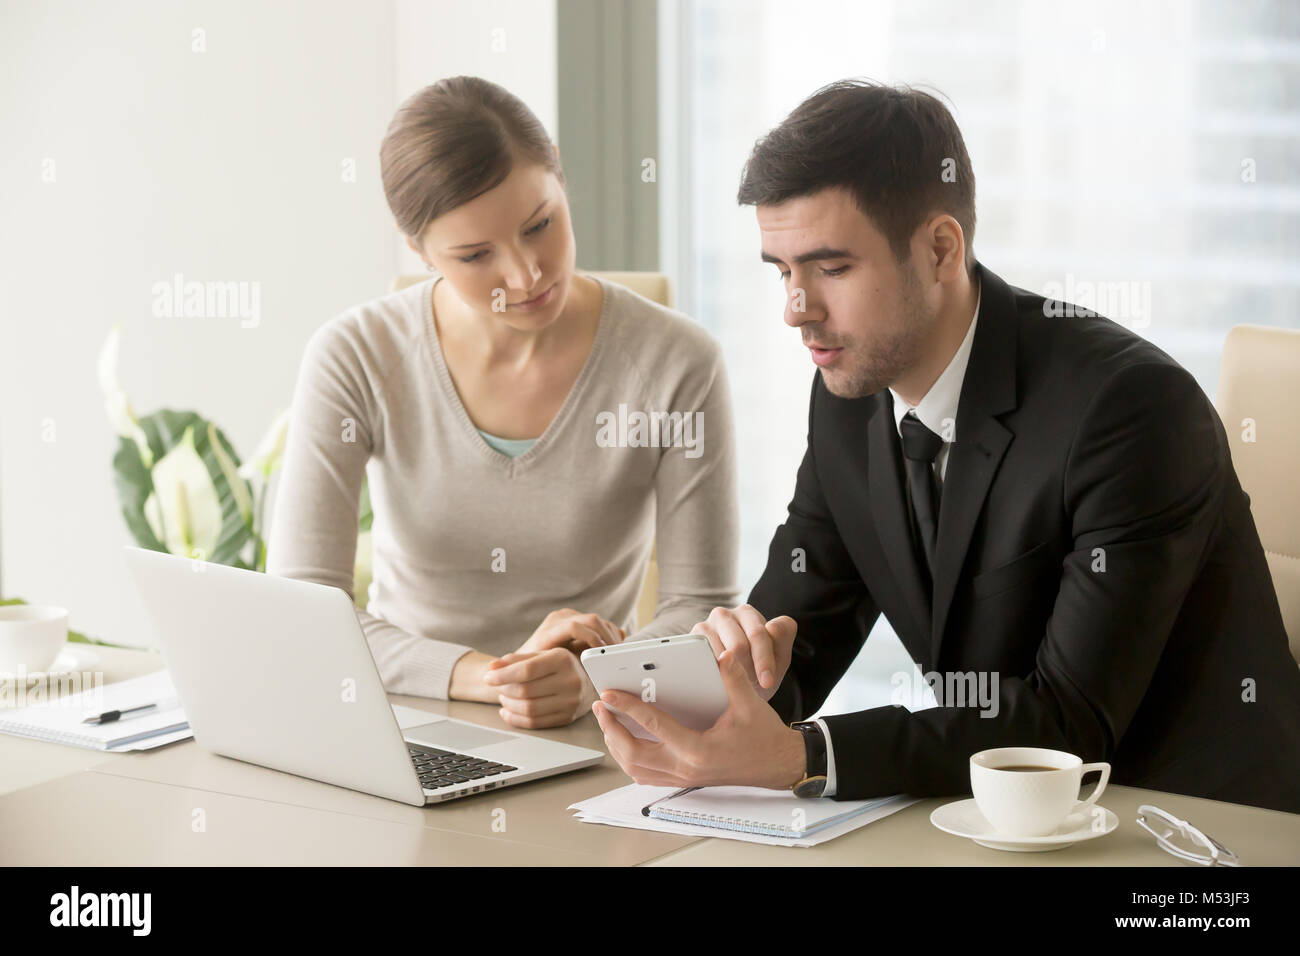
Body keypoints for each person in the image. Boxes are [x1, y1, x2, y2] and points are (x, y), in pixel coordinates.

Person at [593, 79, 1300, 813]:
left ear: (939, 249)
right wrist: (702, 702)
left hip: (1191, 827)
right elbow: (799, 633)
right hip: (992, 822)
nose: (796, 311)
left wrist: (805, 755)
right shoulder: (849, 393)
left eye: (831, 268)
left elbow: (1068, 723)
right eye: (782, 270)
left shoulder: (1131, 410)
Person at [267, 76, 738, 728]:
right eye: (475, 254)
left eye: (540, 224)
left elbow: (700, 604)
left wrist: (594, 676)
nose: (525, 274)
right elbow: (302, 608)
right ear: (419, 250)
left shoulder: (679, 362)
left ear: (562, 183)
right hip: (401, 725)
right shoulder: (354, 356)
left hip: (594, 729)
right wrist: (493, 679)